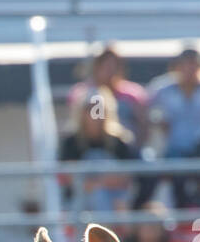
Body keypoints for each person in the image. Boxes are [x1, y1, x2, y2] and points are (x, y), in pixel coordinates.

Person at [147, 45, 200, 208]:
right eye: (185, 65)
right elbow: (149, 115)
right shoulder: (161, 90)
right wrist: (160, 124)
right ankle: (181, 215)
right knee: (175, 172)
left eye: (194, 65)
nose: (190, 69)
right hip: (173, 150)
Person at [58, 87, 141, 215]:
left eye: (99, 109)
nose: (95, 114)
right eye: (90, 109)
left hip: (114, 202)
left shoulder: (120, 141)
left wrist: (97, 184)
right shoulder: (71, 141)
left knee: (109, 199)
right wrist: (101, 183)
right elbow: (70, 177)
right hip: (80, 203)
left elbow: (125, 179)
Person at [68, 43, 150, 148]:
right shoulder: (83, 93)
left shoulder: (133, 95)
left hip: (126, 150)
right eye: (105, 66)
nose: (110, 71)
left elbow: (143, 125)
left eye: (113, 66)